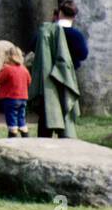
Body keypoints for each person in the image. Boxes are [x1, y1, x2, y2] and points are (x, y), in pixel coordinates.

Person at [31, 8, 81, 139]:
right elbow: (83, 52)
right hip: (66, 76)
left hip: (45, 76)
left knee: (46, 109)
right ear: (74, 16)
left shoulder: (43, 32)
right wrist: (73, 63)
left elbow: (32, 46)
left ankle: (44, 139)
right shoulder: (75, 34)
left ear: (58, 15)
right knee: (65, 104)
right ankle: (65, 137)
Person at [0, 45, 31, 138]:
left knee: (11, 119)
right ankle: (25, 136)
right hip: (23, 98)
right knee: (21, 118)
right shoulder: (24, 69)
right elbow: (29, 81)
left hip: (10, 98)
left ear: (9, 57)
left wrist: (2, 68)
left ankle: (12, 137)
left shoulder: (7, 69)